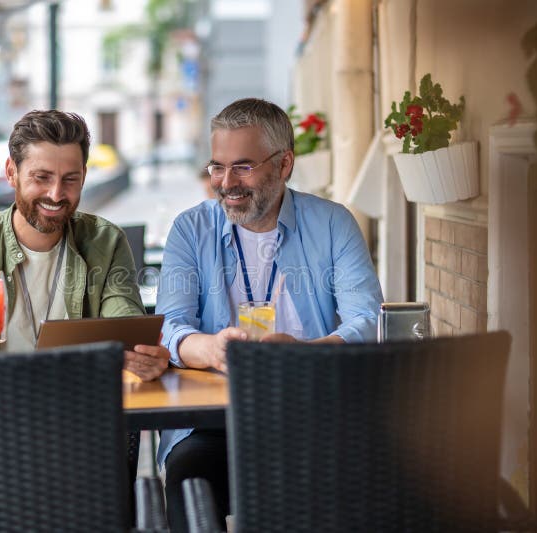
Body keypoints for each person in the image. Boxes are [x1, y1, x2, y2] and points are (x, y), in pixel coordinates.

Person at [155, 98, 384, 530]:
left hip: (313, 411)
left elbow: (369, 321)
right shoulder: (190, 228)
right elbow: (168, 324)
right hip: (215, 420)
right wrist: (211, 347)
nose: (225, 182)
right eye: (217, 167)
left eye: (243, 166)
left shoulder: (334, 223)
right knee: (188, 474)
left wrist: (305, 353)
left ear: (284, 165)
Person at [0, 109, 169, 383]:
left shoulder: (105, 240)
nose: (55, 194)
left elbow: (123, 321)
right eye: (41, 177)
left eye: (70, 179)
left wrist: (144, 354)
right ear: (11, 172)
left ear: (84, 176)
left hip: (78, 406)